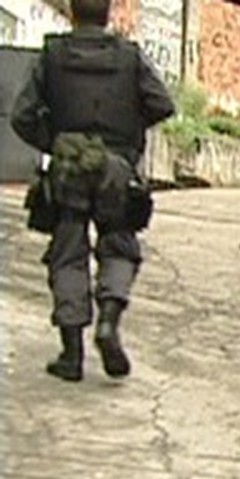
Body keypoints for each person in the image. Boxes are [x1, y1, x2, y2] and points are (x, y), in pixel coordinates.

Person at [11, 0, 175, 382]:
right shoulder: (130, 56)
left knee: (67, 255)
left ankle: (71, 355)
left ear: (71, 12)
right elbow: (162, 104)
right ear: (108, 15)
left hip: (68, 168)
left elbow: (22, 115)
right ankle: (109, 324)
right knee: (119, 246)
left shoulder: (52, 55)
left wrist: (54, 142)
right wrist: (130, 132)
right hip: (116, 168)